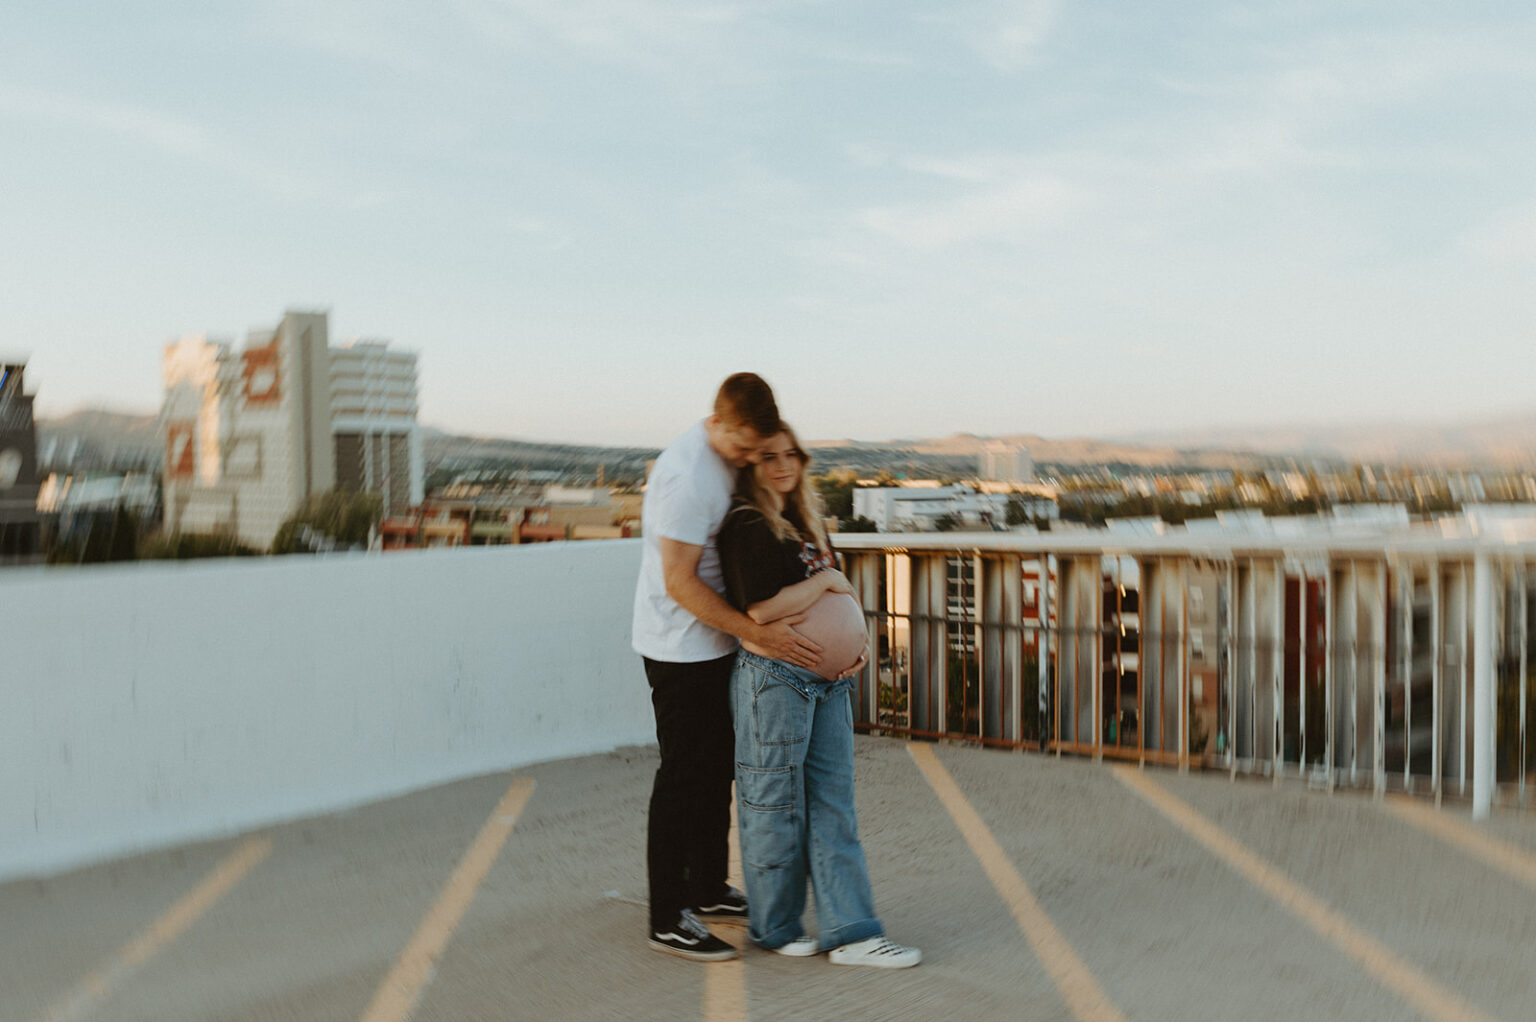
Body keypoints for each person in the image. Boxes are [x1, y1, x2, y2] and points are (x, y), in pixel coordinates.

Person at [632, 373, 824, 962]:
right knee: (683, 780)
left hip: (715, 644)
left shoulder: (724, 458)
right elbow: (679, 582)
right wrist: (757, 632)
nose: (749, 459)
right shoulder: (687, 477)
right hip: (678, 647)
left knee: (717, 774)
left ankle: (708, 887)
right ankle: (667, 914)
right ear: (717, 421)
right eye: (743, 447)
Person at [717, 424, 921, 969]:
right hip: (775, 680)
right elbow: (759, 609)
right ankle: (775, 926)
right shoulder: (746, 524)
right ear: (750, 465)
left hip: (829, 682)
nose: (783, 465)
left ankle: (851, 932)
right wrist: (826, 585)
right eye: (768, 456)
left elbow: (838, 594)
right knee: (773, 807)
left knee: (835, 804)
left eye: (791, 455)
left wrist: (850, 648)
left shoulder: (802, 519)